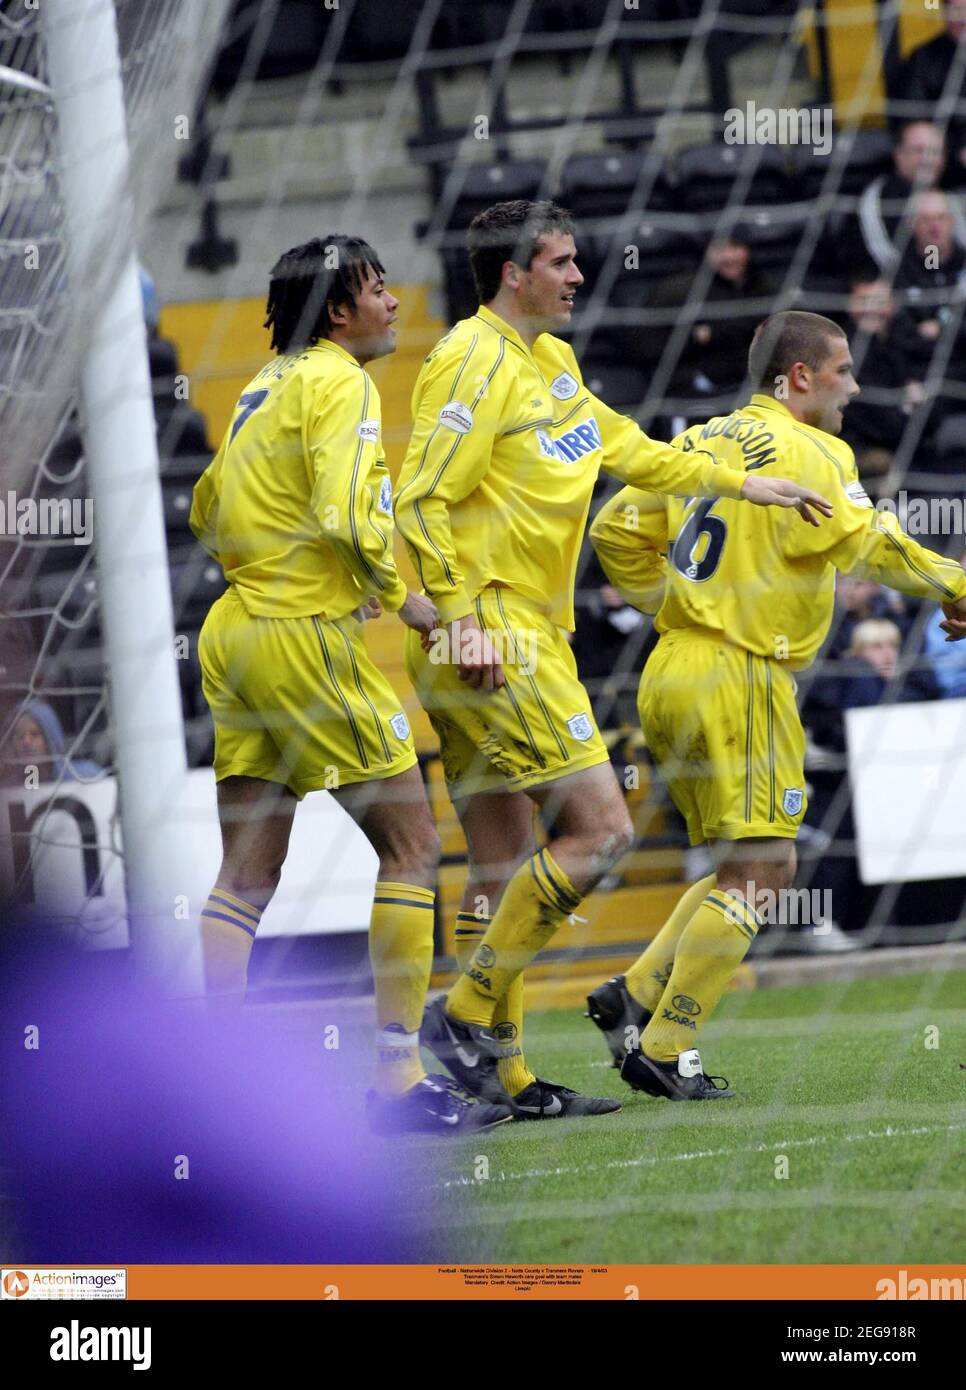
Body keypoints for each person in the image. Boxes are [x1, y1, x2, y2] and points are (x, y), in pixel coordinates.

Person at [393, 201, 833, 1115]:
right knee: (604, 830)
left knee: (500, 868)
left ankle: (508, 1078)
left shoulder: (549, 362)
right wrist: (462, 619)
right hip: (494, 632)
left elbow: (630, 450)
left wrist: (741, 480)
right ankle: (468, 1012)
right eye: (561, 261)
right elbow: (421, 498)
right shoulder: (470, 359)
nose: (579, 275)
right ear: (514, 272)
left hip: (517, 633)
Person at [585, 309, 966, 1099]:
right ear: (799, 378)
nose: (855, 387)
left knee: (743, 863)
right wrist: (957, 584)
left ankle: (636, 991)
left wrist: (681, 605)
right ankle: (664, 1044)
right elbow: (876, 543)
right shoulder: (816, 450)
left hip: (672, 669)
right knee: (767, 868)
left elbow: (615, 531)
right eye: (843, 371)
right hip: (743, 673)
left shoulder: (697, 440)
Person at [189, 235, 512, 1136]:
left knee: (247, 875)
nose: (395, 302)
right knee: (412, 847)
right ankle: (399, 1082)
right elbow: (346, 514)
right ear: (339, 312)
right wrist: (404, 600)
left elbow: (207, 508)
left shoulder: (263, 384)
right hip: (303, 638)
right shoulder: (340, 381)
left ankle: (217, 1087)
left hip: (236, 631)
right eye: (378, 289)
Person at [893, 2, 966, 184]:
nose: (963, 18)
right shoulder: (923, 58)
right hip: (946, 159)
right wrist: (956, 149)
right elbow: (912, 120)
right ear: (944, 13)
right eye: (957, 10)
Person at [2, 698, 104, 785]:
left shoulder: (86, 775)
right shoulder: (8, 789)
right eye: (20, 736)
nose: (27, 742)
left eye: (35, 734)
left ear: (50, 737)